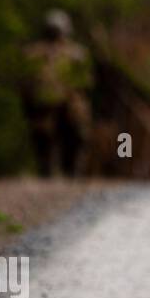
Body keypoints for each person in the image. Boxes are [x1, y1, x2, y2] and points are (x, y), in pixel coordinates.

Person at [20, 9, 94, 177]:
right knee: (47, 139)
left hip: (62, 105)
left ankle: (63, 173)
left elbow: (86, 82)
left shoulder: (76, 54)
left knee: (67, 138)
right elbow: (87, 83)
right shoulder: (76, 54)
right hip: (50, 105)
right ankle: (56, 172)